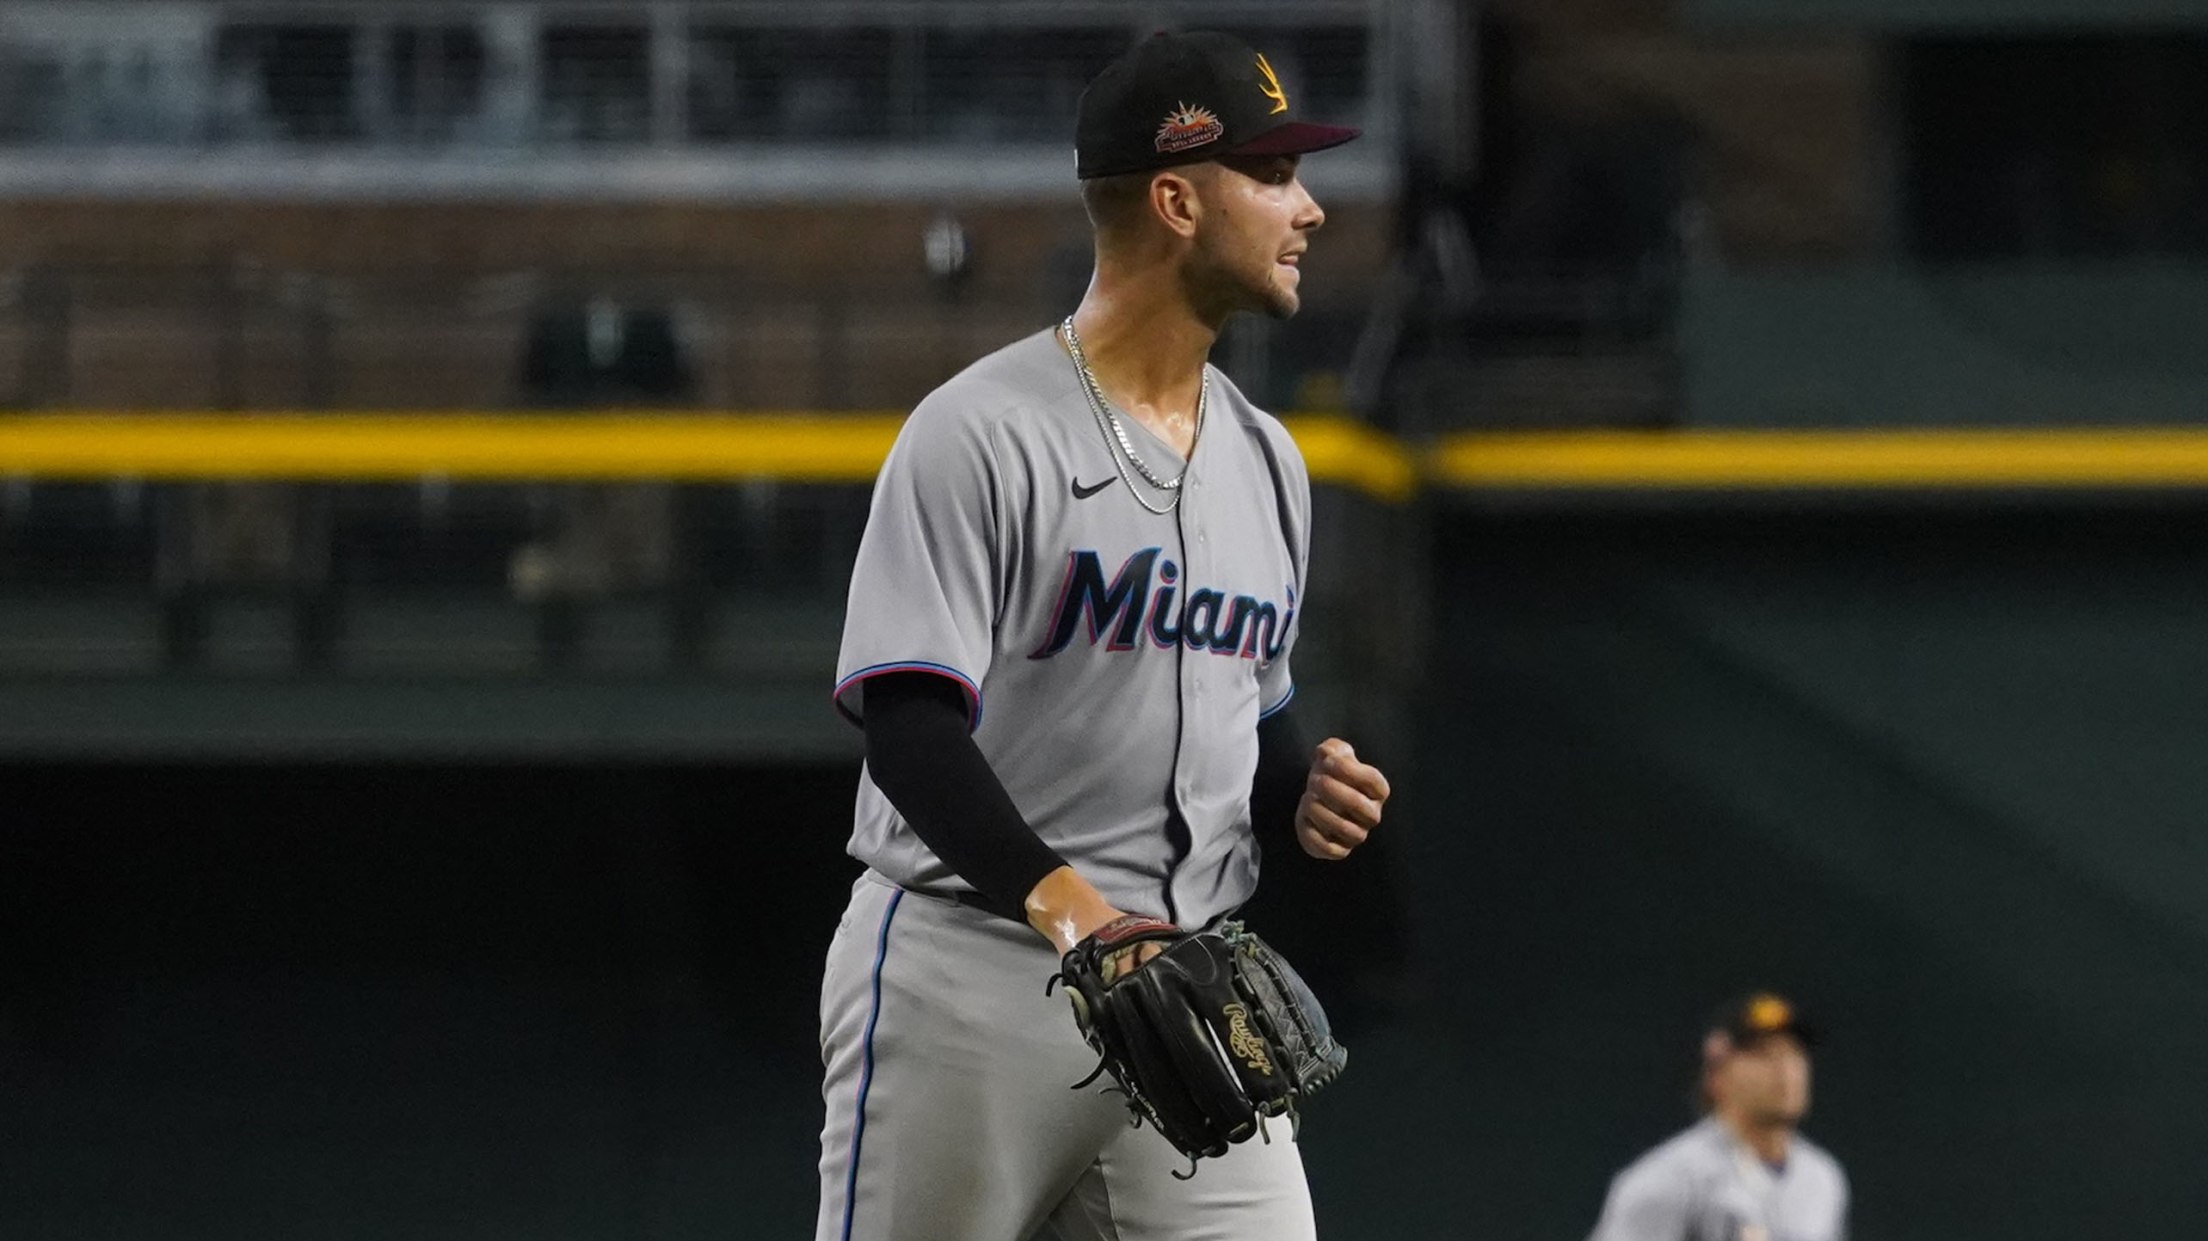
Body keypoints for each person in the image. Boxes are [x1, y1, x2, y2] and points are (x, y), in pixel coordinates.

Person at [814, 30, 1390, 1241]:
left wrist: (1297, 786)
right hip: (968, 979)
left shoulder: (1269, 459)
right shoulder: (978, 432)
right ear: (1178, 198)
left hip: (1185, 983)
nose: (1311, 208)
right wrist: (1080, 914)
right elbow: (909, 728)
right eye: (1276, 174)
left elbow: (1253, 703)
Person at [1586, 993, 1850, 1241]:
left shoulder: (1822, 1177)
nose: (1785, 1070)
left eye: (1794, 1054)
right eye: (1763, 1054)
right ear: (1717, 1075)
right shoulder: (1668, 1180)